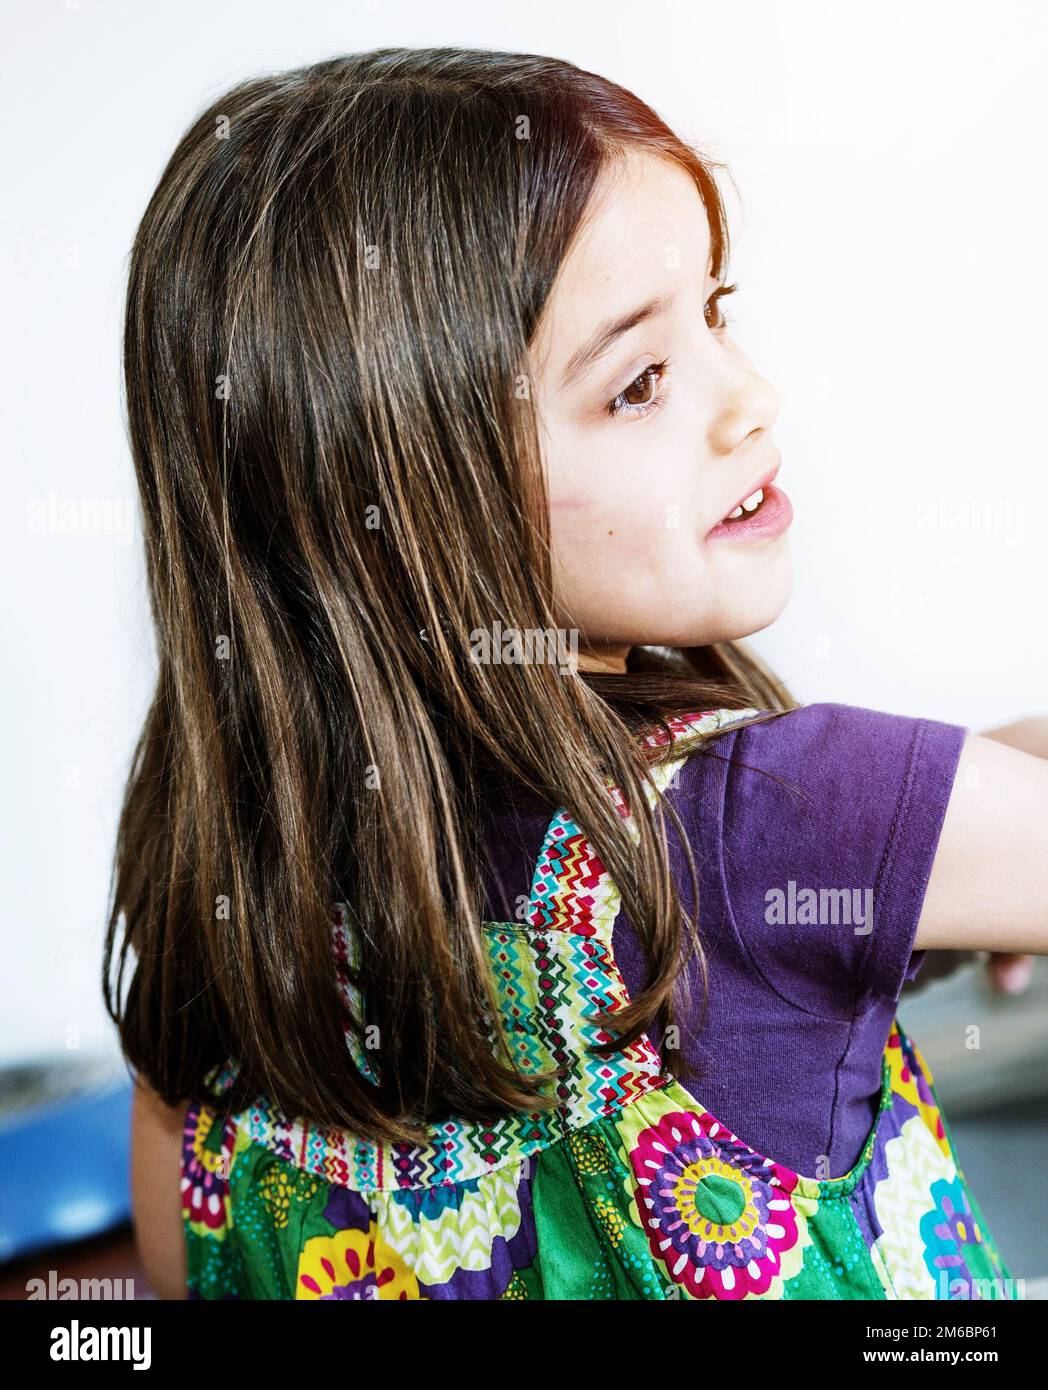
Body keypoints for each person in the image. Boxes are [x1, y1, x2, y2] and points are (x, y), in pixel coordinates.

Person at [111, 47, 1048, 1301]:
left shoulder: (217, 929)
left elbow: (179, 1276)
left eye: (714, 317)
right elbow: (796, 854)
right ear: (395, 514)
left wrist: (922, 858)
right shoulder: (772, 812)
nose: (750, 400)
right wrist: (916, 849)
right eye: (639, 384)